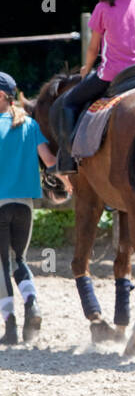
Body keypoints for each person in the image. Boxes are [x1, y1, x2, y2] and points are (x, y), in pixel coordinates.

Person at [55, 0, 135, 171]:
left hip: (113, 74)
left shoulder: (103, 7)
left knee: (68, 103)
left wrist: (86, 68)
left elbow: (93, 48)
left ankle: (69, 160)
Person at [0, 71, 59, 344]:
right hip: (24, 205)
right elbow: (49, 161)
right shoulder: (30, 124)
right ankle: (32, 301)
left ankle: (10, 326)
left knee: (1, 265)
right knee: (20, 260)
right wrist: (67, 182)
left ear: (2, 96)